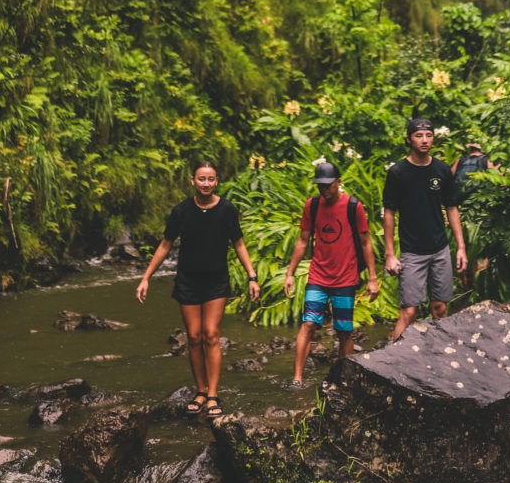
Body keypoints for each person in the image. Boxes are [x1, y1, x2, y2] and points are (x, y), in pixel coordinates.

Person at [136, 157, 261, 418]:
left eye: (211, 179)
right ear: (193, 181)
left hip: (216, 281)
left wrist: (252, 275)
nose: (206, 183)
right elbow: (165, 245)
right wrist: (146, 276)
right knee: (193, 338)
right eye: (201, 179)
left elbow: (238, 243)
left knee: (211, 335)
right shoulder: (181, 212)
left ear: (217, 181)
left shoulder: (227, 210)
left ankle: (213, 394)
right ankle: (200, 391)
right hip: (188, 281)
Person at [283, 159, 379, 387]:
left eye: (328, 185)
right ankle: (297, 378)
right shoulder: (312, 205)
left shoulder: (353, 206)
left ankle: (342, 379)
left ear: (338, 182)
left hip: (345, 277)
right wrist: (289, 274)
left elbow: (365, 242)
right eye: (320, 185)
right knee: (308, 324)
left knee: (343, 331)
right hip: (318, 275)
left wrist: (373, 278)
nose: (324, 189)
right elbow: (303, 240)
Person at [383, 116, 466, 340]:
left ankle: (442, 361)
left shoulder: (441, 170)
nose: (424, 140)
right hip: (412, 252)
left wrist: (460, 247)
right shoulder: (398, 173)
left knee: (439, 309)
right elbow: (389, 213)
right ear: (409, 139)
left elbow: (451, 207)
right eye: (419, 135)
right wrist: (390, 254)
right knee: (409, 312)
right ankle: (389, 362)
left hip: (440, 249)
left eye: (428, 135)